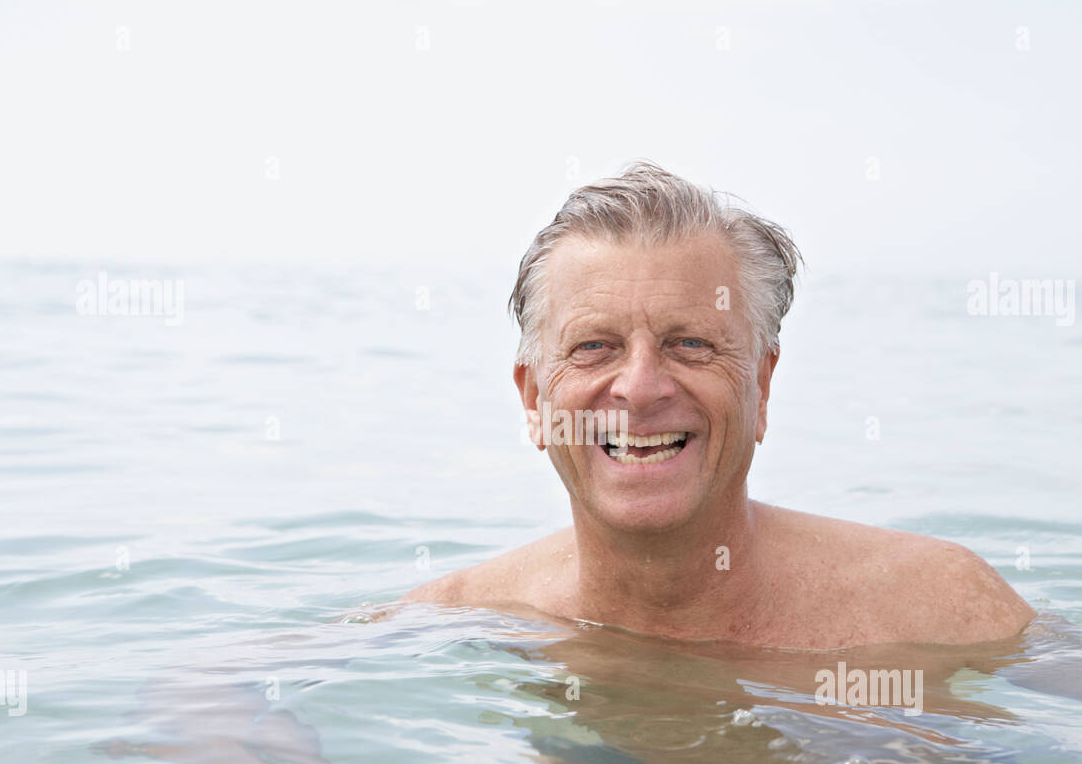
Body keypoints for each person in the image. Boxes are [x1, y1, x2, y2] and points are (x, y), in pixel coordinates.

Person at [404, 161, 1035, 648]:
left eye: (691, 344)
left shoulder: (936, 607)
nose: (642, 387)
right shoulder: (460, 624)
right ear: (534, 399)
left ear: (761, 386)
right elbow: (303, 690)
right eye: (595, 346)